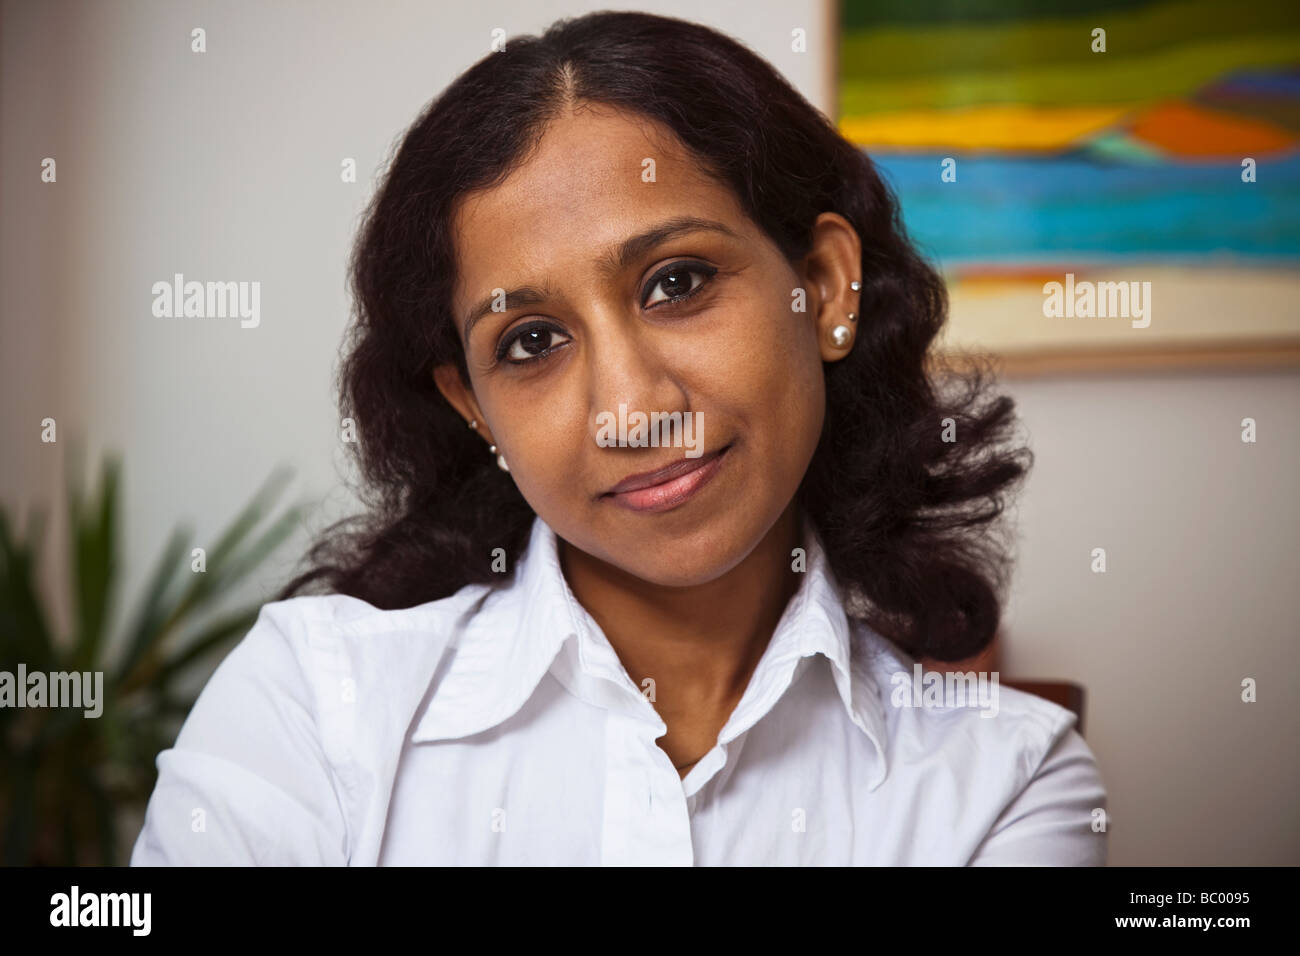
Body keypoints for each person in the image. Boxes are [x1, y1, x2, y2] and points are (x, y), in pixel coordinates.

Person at [131, 10, 1106, 866]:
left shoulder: (1005, 781)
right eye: (531, 341)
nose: (632, 407)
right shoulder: (310, 703)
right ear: (474, 406)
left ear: (825, 286)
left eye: (676, 282)